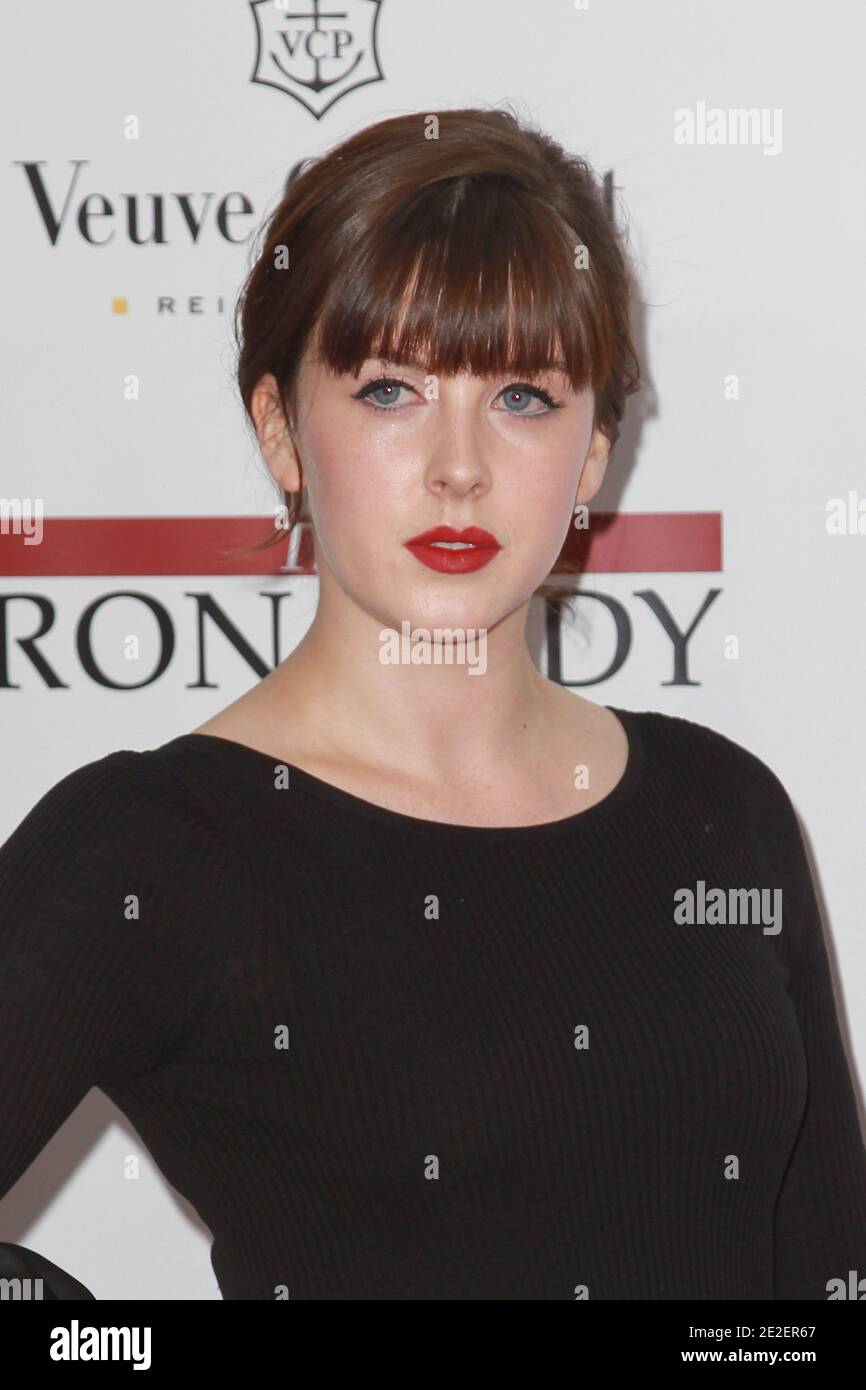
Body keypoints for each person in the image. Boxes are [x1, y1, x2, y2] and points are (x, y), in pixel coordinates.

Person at [1, 106, 865, 1300]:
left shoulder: (723, 810)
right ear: (280, 432)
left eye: (522, 397)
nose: (459, 465)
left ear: (594, 455)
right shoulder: (155, 847)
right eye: (391, 390)